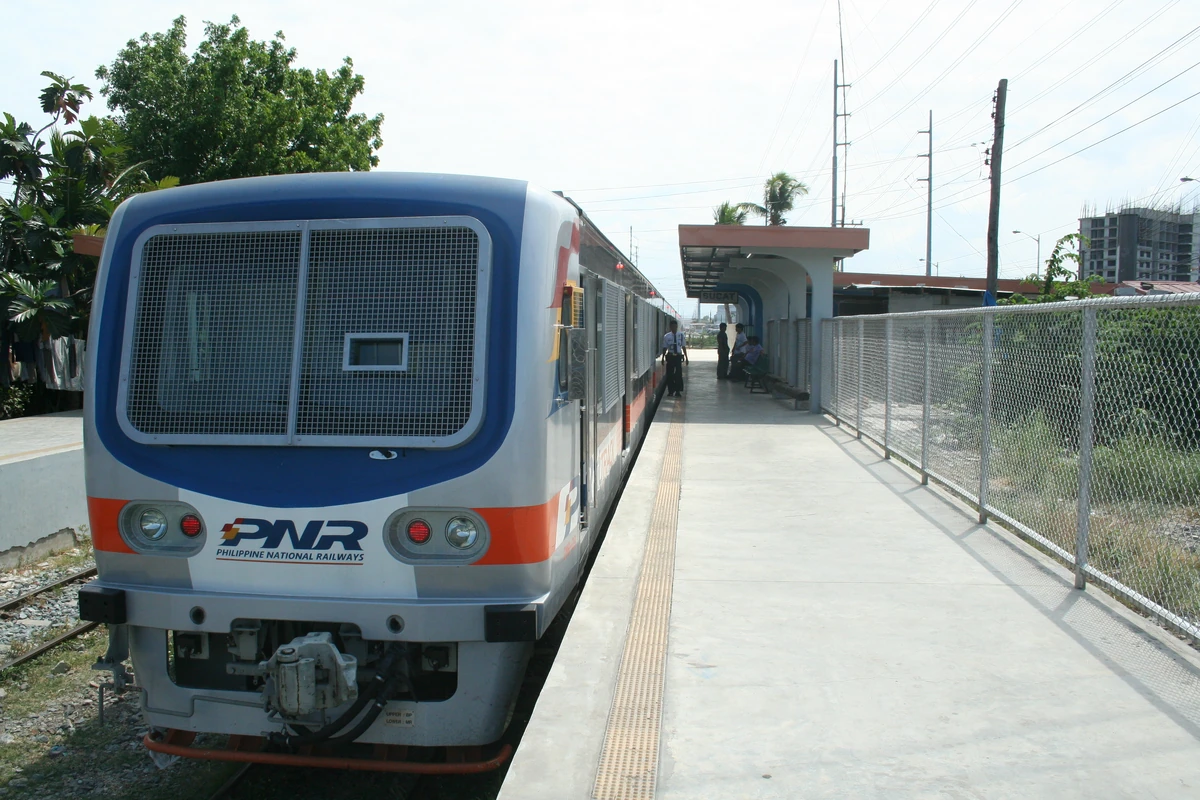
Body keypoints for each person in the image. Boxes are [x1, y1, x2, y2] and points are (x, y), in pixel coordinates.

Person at [661, 320, 688, 397]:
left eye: (675, 326)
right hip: (670, 356)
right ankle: (671, 391)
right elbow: (665, 347)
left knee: (678, 374)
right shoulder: (667, 336)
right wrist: (663, 358)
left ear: (676, 327)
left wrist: (686, 357)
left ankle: (678, 391)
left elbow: (683, 346)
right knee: (670, 374)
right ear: (670, 327)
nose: (674, 328)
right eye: (672, 326)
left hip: (678, 356)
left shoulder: (681, 335)